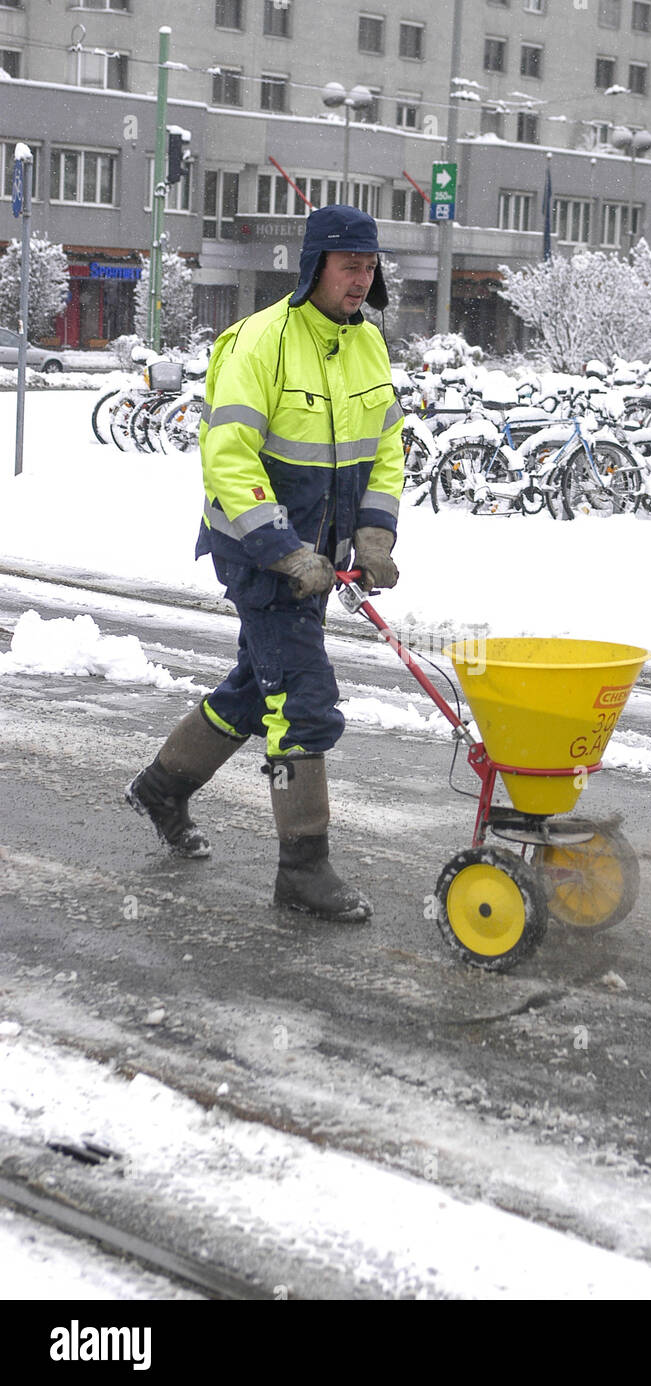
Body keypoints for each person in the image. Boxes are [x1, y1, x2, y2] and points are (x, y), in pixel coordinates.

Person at [126, 206, 404, 923]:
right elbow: (228, 456)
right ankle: (302, 870)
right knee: (302, 700)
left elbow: (388, 446)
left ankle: (162, 787)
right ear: (313, 267)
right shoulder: (260, 342)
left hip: (323, 558)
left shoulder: (368, 344)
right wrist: (283, 551)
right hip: (259, 554)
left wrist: (374, 534)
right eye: (348, 265)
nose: (360, 278)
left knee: (258, 686)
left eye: (369, 266)